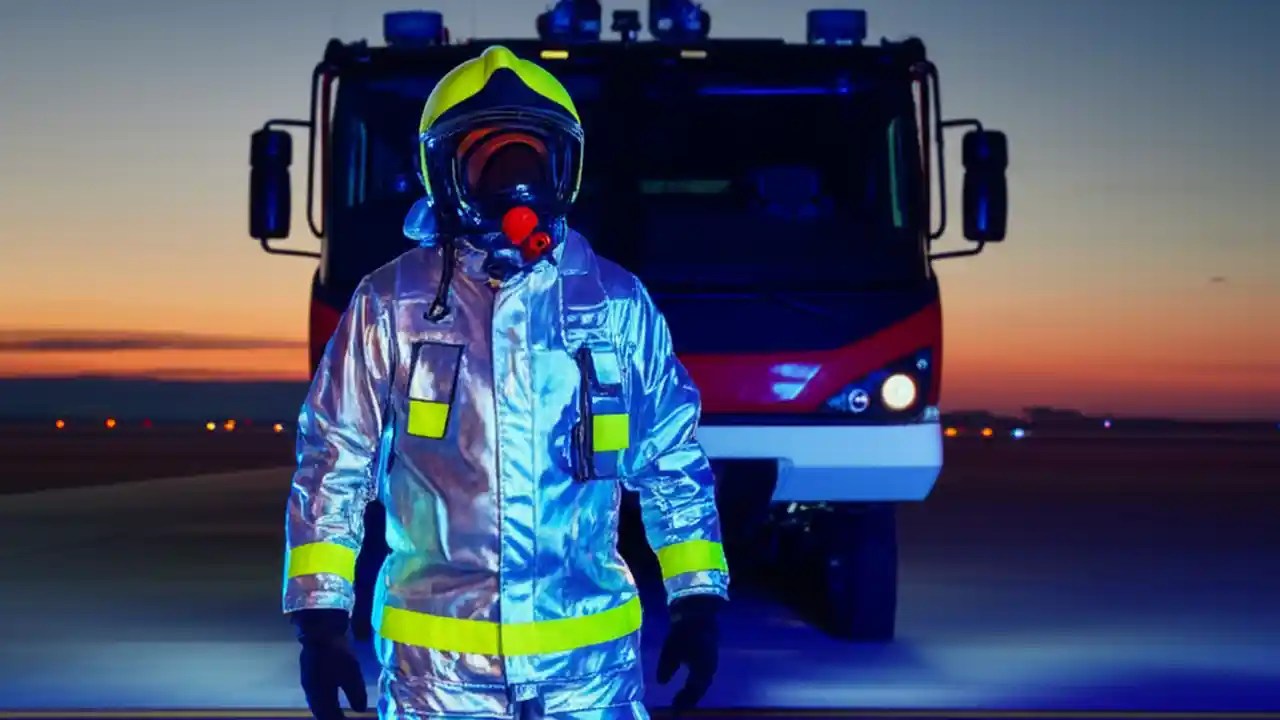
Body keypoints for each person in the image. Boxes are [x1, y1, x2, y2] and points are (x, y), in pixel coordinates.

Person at [281, 45, 730, 720]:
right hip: (438, 679)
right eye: (489, 158)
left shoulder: (614, 304)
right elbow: (333, 460)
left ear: (565, 168)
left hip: (590, 675)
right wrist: (320, 620)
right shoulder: (391, 304)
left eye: (531, 156)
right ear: (444, 174)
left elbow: (671, 458)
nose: (514, 182)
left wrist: (696, 599)